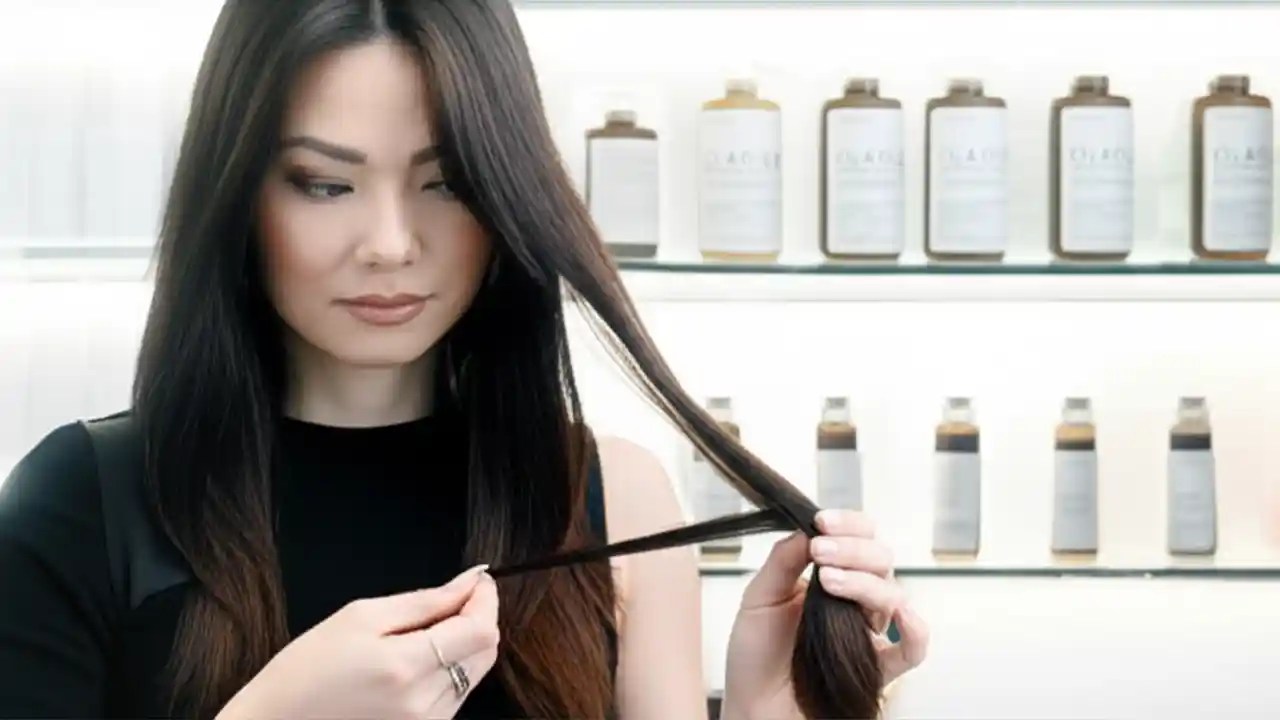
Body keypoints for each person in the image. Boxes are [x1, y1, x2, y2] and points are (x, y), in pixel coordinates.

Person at [0, 1, 928, 718]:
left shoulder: (612, 501)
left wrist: (771, 711)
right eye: (325, 184)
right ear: (238, 192)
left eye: (446, 182)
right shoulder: (81, 504)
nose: (390, 243)